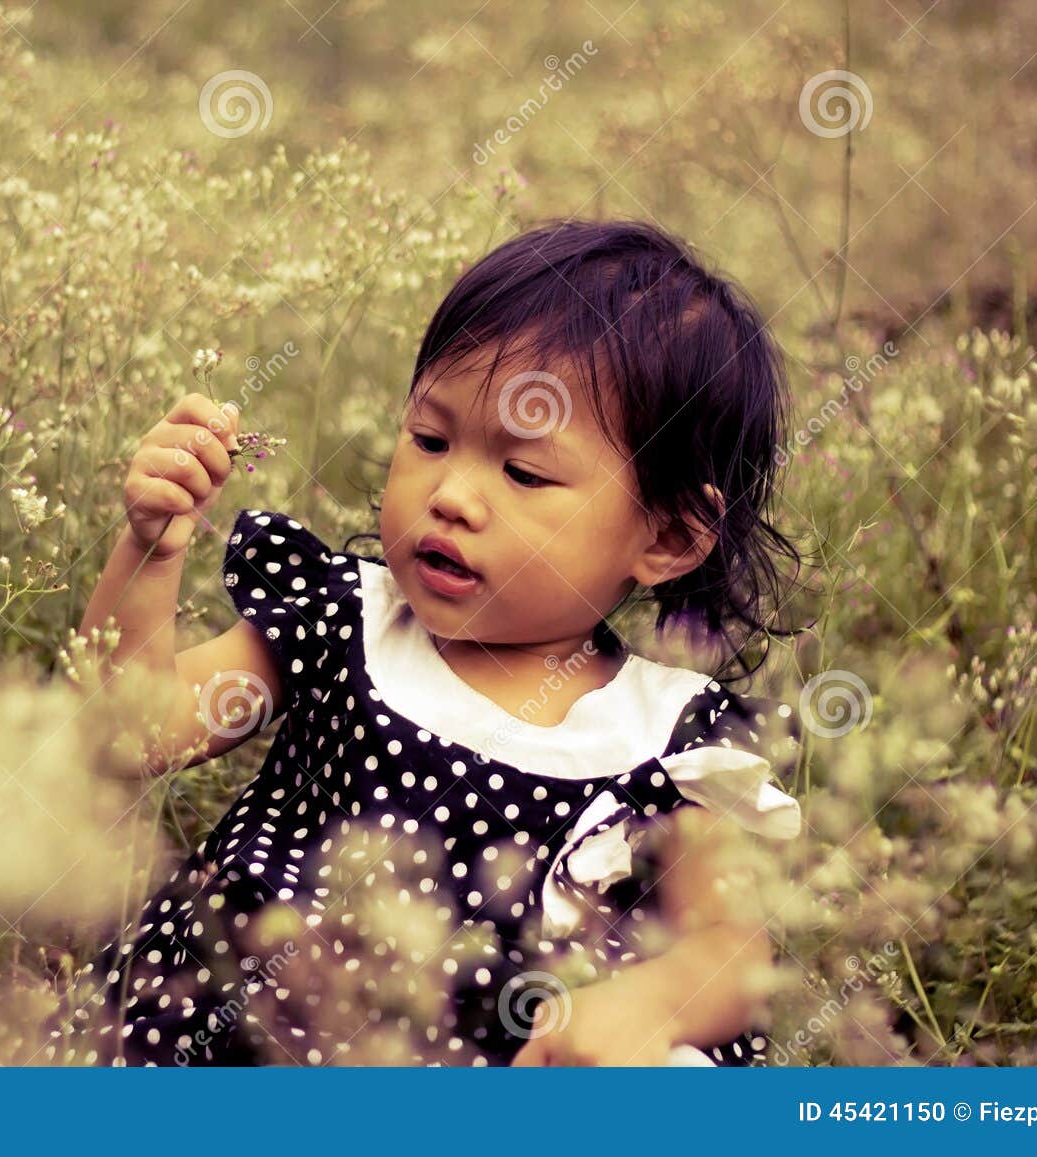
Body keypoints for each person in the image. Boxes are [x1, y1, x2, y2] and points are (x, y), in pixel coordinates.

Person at [50, 218, 807, 1067]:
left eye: (524, 473)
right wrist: (150, 548)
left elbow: (733, 956)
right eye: (431, 439)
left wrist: (642, 1005)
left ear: (665, 537)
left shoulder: (670, 742)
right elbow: (127, 731)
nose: (450, 495)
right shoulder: (346, 620)